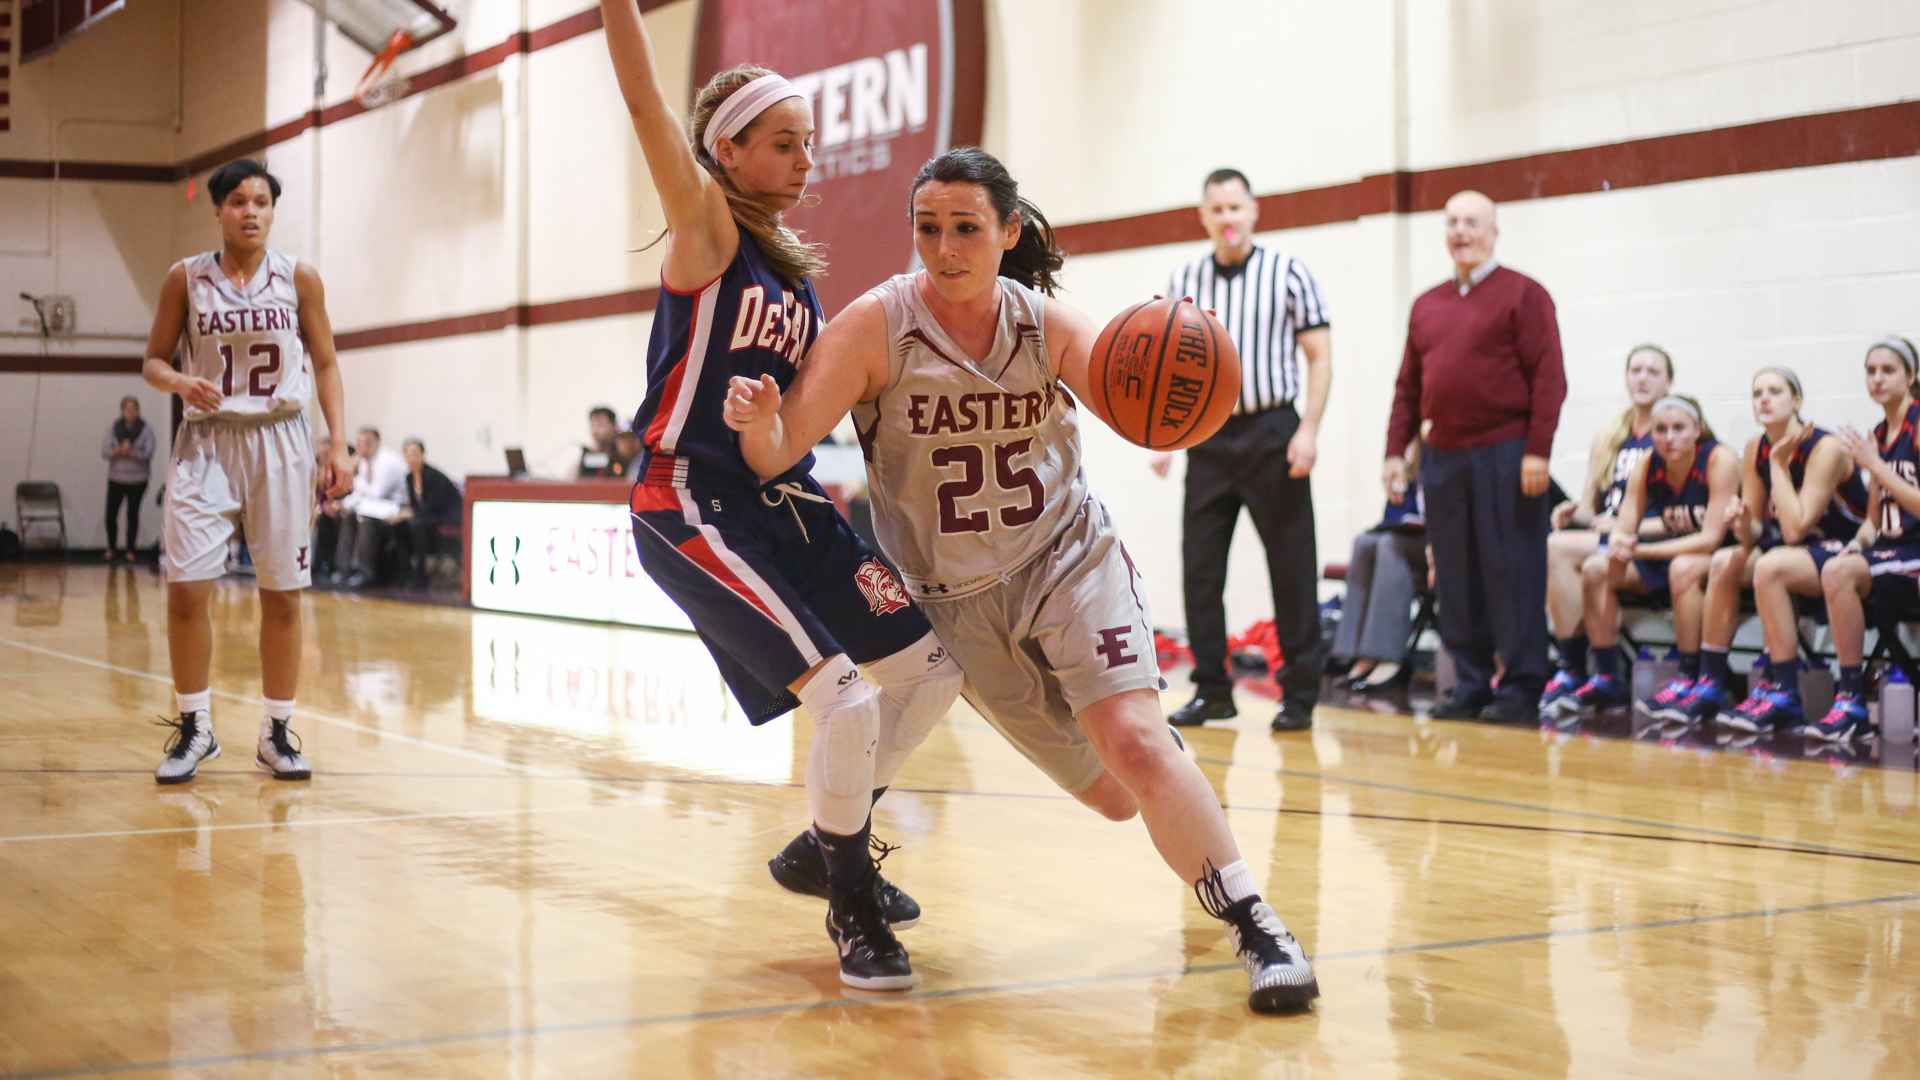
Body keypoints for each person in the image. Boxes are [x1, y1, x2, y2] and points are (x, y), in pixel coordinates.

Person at [725, 147, 1321, 1013]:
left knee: (1136, 742)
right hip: (954, 605)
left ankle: (1258, 925)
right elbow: (778, 454)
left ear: (1009, 233)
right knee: (1120, 798)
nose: (945, 247)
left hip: (1067, 562)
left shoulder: (1048, 325)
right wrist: (759, 420)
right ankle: (832, 840)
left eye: (966, 228)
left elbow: (1138, 410)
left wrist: (1180, 385)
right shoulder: (875, 326)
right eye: (927, 228)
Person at [598, 0, 964, 993]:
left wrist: (775, 421)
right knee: (843, 700)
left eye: (810, 142)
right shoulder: (707, 226)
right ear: (728, 151)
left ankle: (825, 843)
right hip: (688, 505)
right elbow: (641, 101)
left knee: (929, 673)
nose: (807, 160)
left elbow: (785, 440)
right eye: (785, 144)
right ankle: (850, 900)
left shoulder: (794, 279)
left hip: (781, 498)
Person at [140, 157, 352, 784]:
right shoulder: (185, 278)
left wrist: (336, 444)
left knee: (282, 596)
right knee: (186, 588)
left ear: (272, 211)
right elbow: (152, 359)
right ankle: (195, 727)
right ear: (217, 211)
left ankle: (276, 731)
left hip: (282, 440)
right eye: (237, 201)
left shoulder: (299, 278)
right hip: (206, 443)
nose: (250, 211)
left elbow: (328, 364)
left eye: (261, 201)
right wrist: (180, 381)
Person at [1148, 168, 1332, 732]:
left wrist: (1309, 431)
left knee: (1292, 566)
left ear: (1254, 211)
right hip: (1207, 434)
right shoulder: (1185, 278)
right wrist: (1164, 438)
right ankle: (1212, 690)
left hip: (1274, 430)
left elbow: (1319, 357)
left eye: (1236, 208)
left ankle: (1299, 693)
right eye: (1217, 209)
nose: (1227, 219)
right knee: (1200, 569)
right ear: (1204, 216)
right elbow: (1167, 364)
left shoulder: (1289, 273)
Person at [1384, 191, 1567, 724]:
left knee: (1512, 572)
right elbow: (1407, 387)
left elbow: (1549, 380)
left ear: (1493, 232)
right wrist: (1395, 450)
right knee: (1456, 577)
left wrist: (1538, 450)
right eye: (1453, 222)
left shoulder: (1525, 294)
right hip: (1443, 457)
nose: (1461, 231)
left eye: (1473, 223)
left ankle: (1521, 684)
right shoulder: (1427, 304)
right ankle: (1469, 682)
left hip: (1507, 454)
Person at [1676, 368, 1867, 731]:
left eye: (1775, 391)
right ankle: (1711, 683)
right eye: (1757, 393)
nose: (1764, 399)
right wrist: (1741, 521)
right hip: (1794, 551)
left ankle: (1785, 694)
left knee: (1771, 567)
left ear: (1797, 401)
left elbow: (1794, 529)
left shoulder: (1823, 447)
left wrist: (1778, 464)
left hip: (1844, 548)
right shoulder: (1753, 447)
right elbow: (1754, 534)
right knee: (1723, 561)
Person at [1543, 396, 1736, 719]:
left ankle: (1690, 676)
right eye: (1660, 429)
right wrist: (1619, 542)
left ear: (1697, 430)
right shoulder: (1647, 461)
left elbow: (1709, 540)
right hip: (1661, 552)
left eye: (1678, 428)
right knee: (1596, 568)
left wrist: (1639, 549)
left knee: (1682, 568)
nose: (1669, 437)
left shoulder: (1719, 459)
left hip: (1712, 556)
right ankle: (1606, 675)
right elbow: (1625, 524)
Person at [1539, 346, 1673, 714]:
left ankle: (1576, 666)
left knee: (1559, 550)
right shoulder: (1610, 434)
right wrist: (1573, 513)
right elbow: (1590, 506)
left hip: (1647, 542)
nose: (1643, 377)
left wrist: (1624, 525)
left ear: (1669, 382)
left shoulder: (1671, 434)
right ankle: (1579, 670)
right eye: (1635, 369)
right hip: (1605, 539)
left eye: (1653, 371)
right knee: (1559, 544)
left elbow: (1680, 511)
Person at [1808, 340, 1920, 741]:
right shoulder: (1878, 432)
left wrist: (1875, 465)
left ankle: (1852, 696)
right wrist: (1857, 543)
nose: (1877, 378)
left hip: (1915, 550)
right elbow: (1874, 517)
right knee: (1836, 566)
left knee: (1839, 574)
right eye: (1870, 370)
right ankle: (1851, 697)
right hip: (1890, 548)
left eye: (1887, 370)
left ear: (1911, 376)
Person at [1333, 434, 1427, 692]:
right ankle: (1358, 654)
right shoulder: (1409, 466)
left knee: (1389, 545)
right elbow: (1393, 517)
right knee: (1364, 542)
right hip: (1415, 538)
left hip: (1442, 545)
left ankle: (1388, 656)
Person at [332, 426, 407, 587]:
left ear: (377, 442)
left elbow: (375, 494)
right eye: (359, 443)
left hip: (395, 508)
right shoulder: (366, 462)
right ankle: (343, 570)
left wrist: (354, 474)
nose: (362, 448)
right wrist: (343, 505)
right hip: (374, 507)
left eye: (367, 443)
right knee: (348, 515)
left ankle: (365, 572)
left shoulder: (388, 461)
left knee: (364, 519)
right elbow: (361, 496)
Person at [391, 437, 463, 589]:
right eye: (408, 455)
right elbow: (415, 506)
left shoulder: (433, 476)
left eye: (415, 454)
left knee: (417, 525)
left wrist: (410, 513)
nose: (412, 458)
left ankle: (421, 572)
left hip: (448, 516)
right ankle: (404, 571)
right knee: (399, 525)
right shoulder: (409, 477)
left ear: (423, 455)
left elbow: (433, 506)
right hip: (428, 516)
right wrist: (403, 514)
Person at [102, 395, 157, 562]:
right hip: (116, 478)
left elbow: (149, 452)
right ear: (122, 411)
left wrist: (133, 453)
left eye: (134, 410)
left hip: (138, 479)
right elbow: (105, 451)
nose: (130, 413)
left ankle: (130, 550)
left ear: (138, 411)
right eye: (127, 409)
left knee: (132, 515)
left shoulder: (146, 429)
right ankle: (111, 547)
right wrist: (118, 451)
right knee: (110, 515)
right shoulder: (114, 428)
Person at [578, 406, 621, 477]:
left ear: (614, 426)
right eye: (593, 425)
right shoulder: (589, 454)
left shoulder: (621, 451)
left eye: (601, 425)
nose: (596, 430)